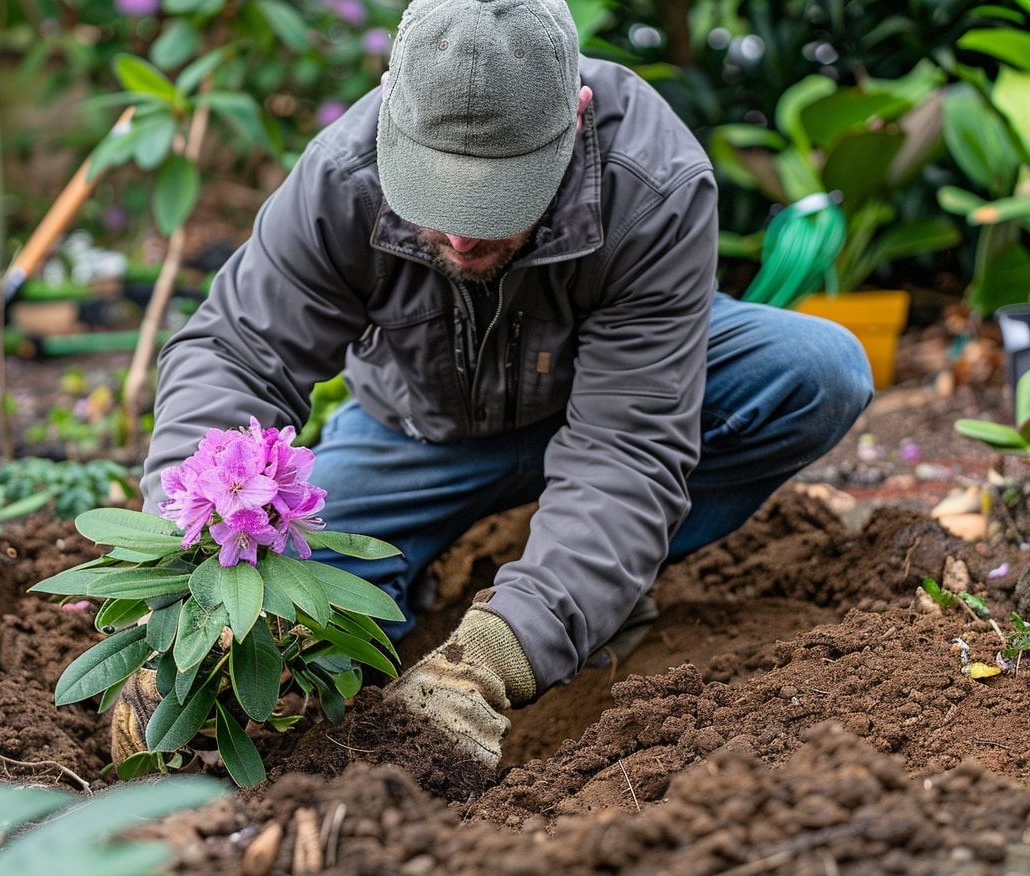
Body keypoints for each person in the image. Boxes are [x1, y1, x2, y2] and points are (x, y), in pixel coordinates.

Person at [128, 0, 874, 766]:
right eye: (438, 190)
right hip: (417, 433)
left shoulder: (653, 182)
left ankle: (579, 587)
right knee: (297, 612)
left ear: (576, 117)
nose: (461, 235)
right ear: (392, 108)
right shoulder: (341, 175)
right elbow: (238, 351)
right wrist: (188, 580)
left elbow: (630, 446)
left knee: (818, 372)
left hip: (608, 396)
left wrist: (493, 657)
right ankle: (465, 578)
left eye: (498, 198)